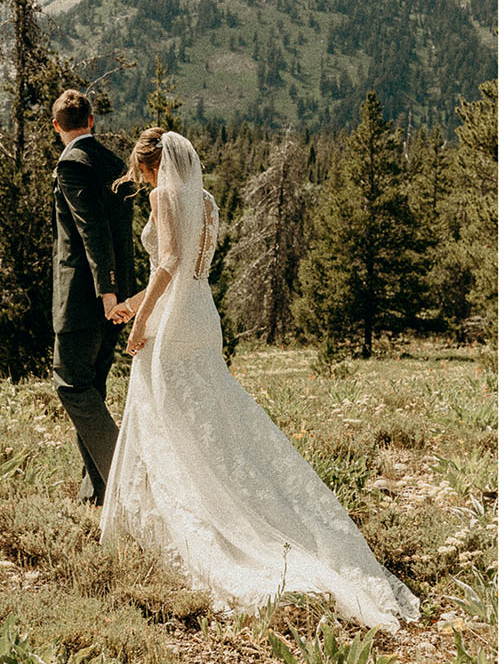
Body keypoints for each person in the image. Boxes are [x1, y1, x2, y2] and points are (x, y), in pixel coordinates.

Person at [100, 129, 419, 629]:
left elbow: (168, 262)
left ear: (150, 167)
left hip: (172, 321)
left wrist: (141, 323)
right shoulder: (203, 199)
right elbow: (187, 272)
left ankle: (191, 519)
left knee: (167, 421)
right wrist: (133, 305)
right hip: (201, 316)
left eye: (141, 174)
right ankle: (237, 500)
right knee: (213, 420)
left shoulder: (164, 195)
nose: (143, 183)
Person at [51, 89, 136, 506]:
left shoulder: (73, 162)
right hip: (117, 300)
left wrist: (106, 293)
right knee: (94, 389)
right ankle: (96, 494)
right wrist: (124, 295)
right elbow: (122, 235)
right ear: (91, 121)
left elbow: (93, 232)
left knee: (69, 383)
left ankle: (123, 469)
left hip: (87, 299)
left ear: (57, 127)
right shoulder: (114, 162)